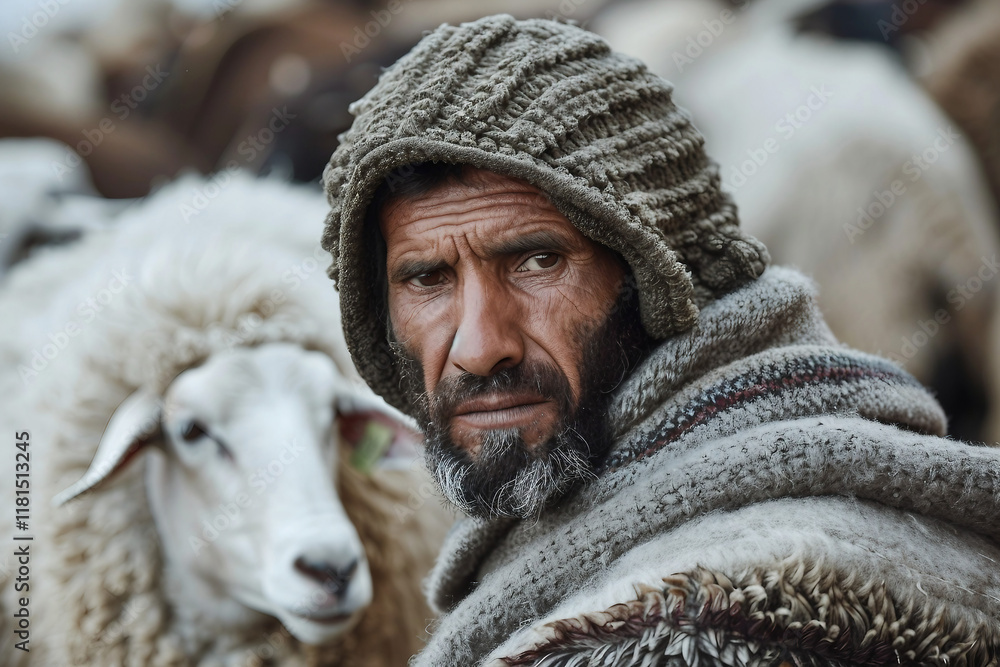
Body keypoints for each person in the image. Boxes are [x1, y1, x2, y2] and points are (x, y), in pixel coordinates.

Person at [321, 14, 1000, 666]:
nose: (477, 346)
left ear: (657, 277)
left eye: (537, 261)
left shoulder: (696, 628)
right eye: (427, 278)